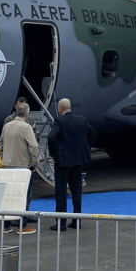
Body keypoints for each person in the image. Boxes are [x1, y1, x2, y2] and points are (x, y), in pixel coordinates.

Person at [46, 98, 96, 231]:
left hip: (62, 162)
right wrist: (85, 148)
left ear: (60, 108)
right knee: (77, 192)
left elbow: (51, 137)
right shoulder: (81, 119)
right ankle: (76, 221)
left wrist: (54, 153)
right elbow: (92, 134)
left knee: (61, 192)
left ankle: (61, 223)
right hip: (78, 161)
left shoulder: (60, 121)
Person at [0, 102, 40, 235]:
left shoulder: (7, 126)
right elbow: (34, 146)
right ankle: (22, 225)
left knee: (8, 195)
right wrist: (34, 161)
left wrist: (3, 157)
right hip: (23, 166)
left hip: (8, 165)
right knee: (23, 196)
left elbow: (0, 144)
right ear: (27, 114)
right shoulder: (26, 127)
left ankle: (6, 225)